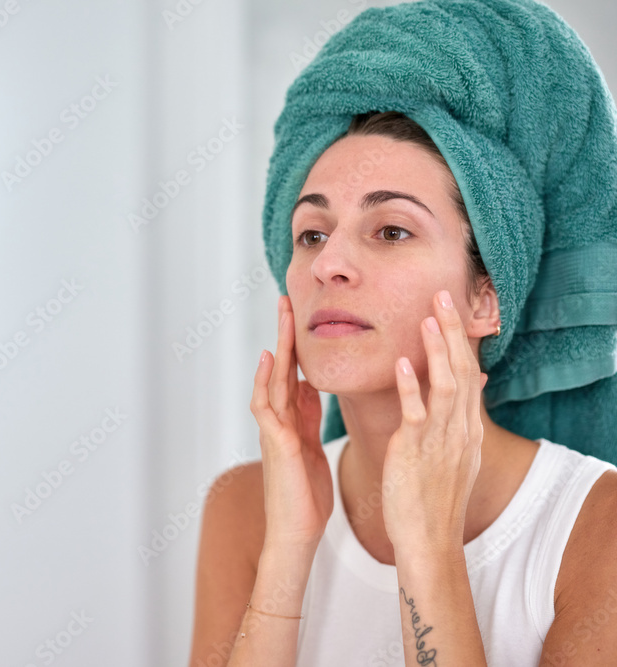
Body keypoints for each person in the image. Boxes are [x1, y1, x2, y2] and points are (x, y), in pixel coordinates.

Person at [188, 1, 617, 665]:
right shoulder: (243, 508)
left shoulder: (597, 529)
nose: (329, 263)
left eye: (391, 230)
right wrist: (289, 550)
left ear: (486, 298)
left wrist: (429, 548)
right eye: (311, 234)